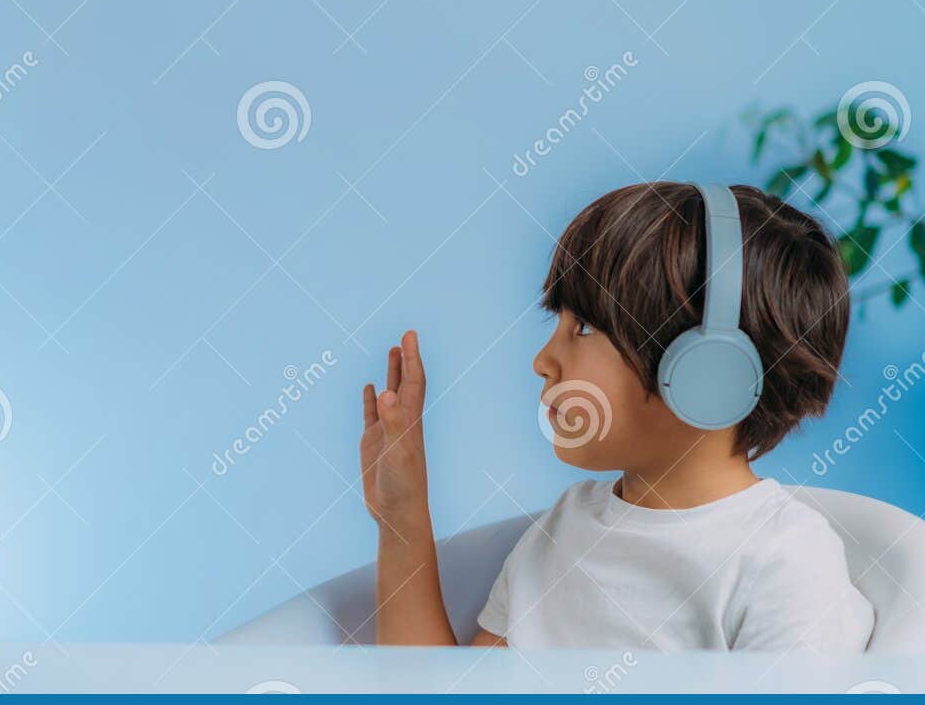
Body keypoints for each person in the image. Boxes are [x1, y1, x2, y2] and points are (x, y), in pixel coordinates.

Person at [359, 182, 874, 651]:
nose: (542, 360)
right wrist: (401, 517)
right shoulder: (565, 527)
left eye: (583, 328)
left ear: (707, 370)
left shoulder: (784, 563)